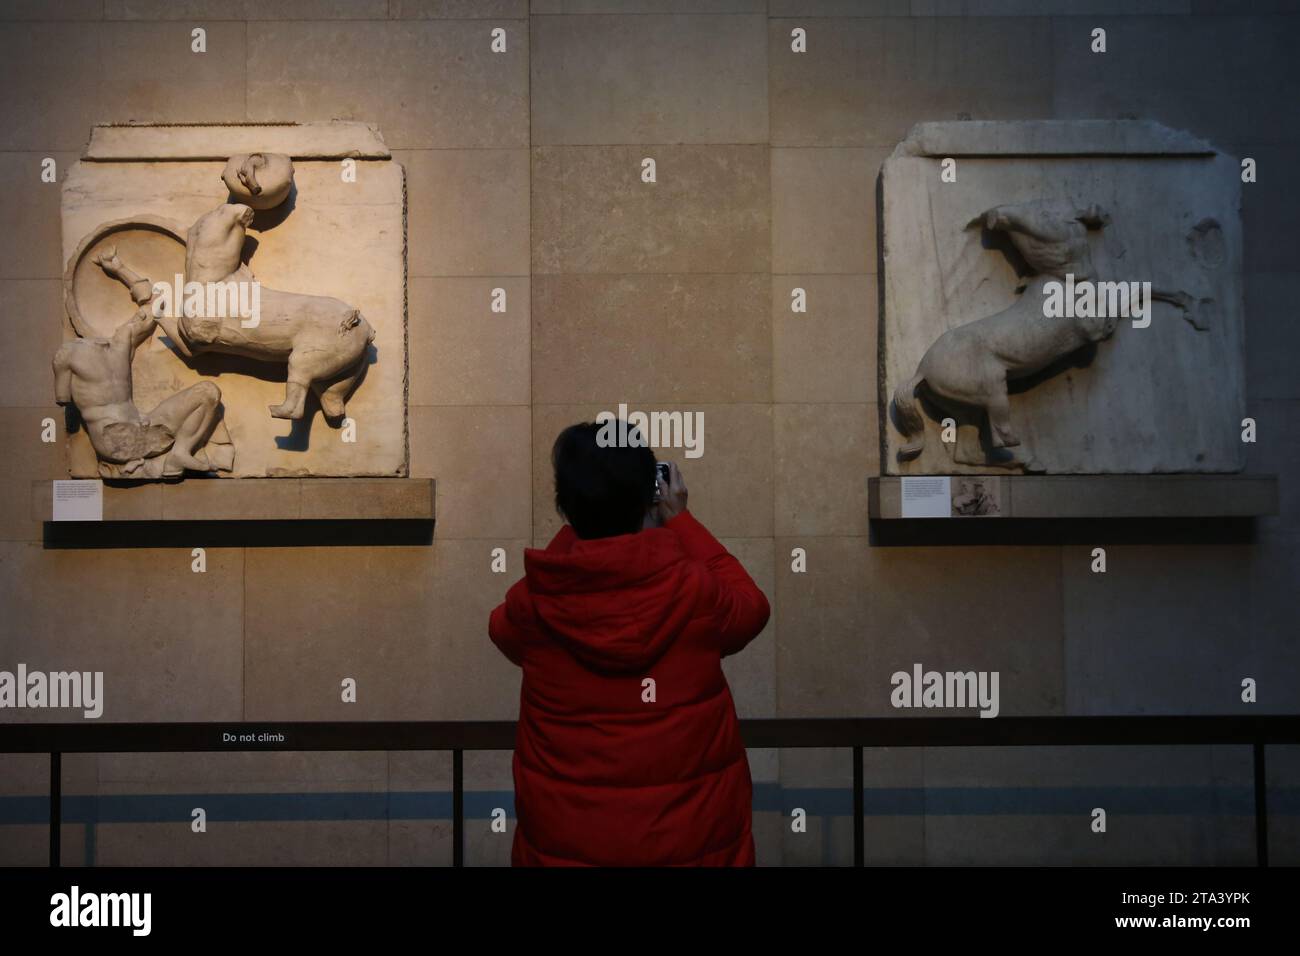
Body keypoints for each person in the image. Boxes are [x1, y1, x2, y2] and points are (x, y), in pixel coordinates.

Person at [488, 421, 770, 866]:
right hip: (690, 844)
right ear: (648, 495)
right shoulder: (695, 589)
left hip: (570, 847)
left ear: (566, 503)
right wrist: (681, 521)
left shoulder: (534, 605)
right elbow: (752, 607)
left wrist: (581, 530)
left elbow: (501, 631)